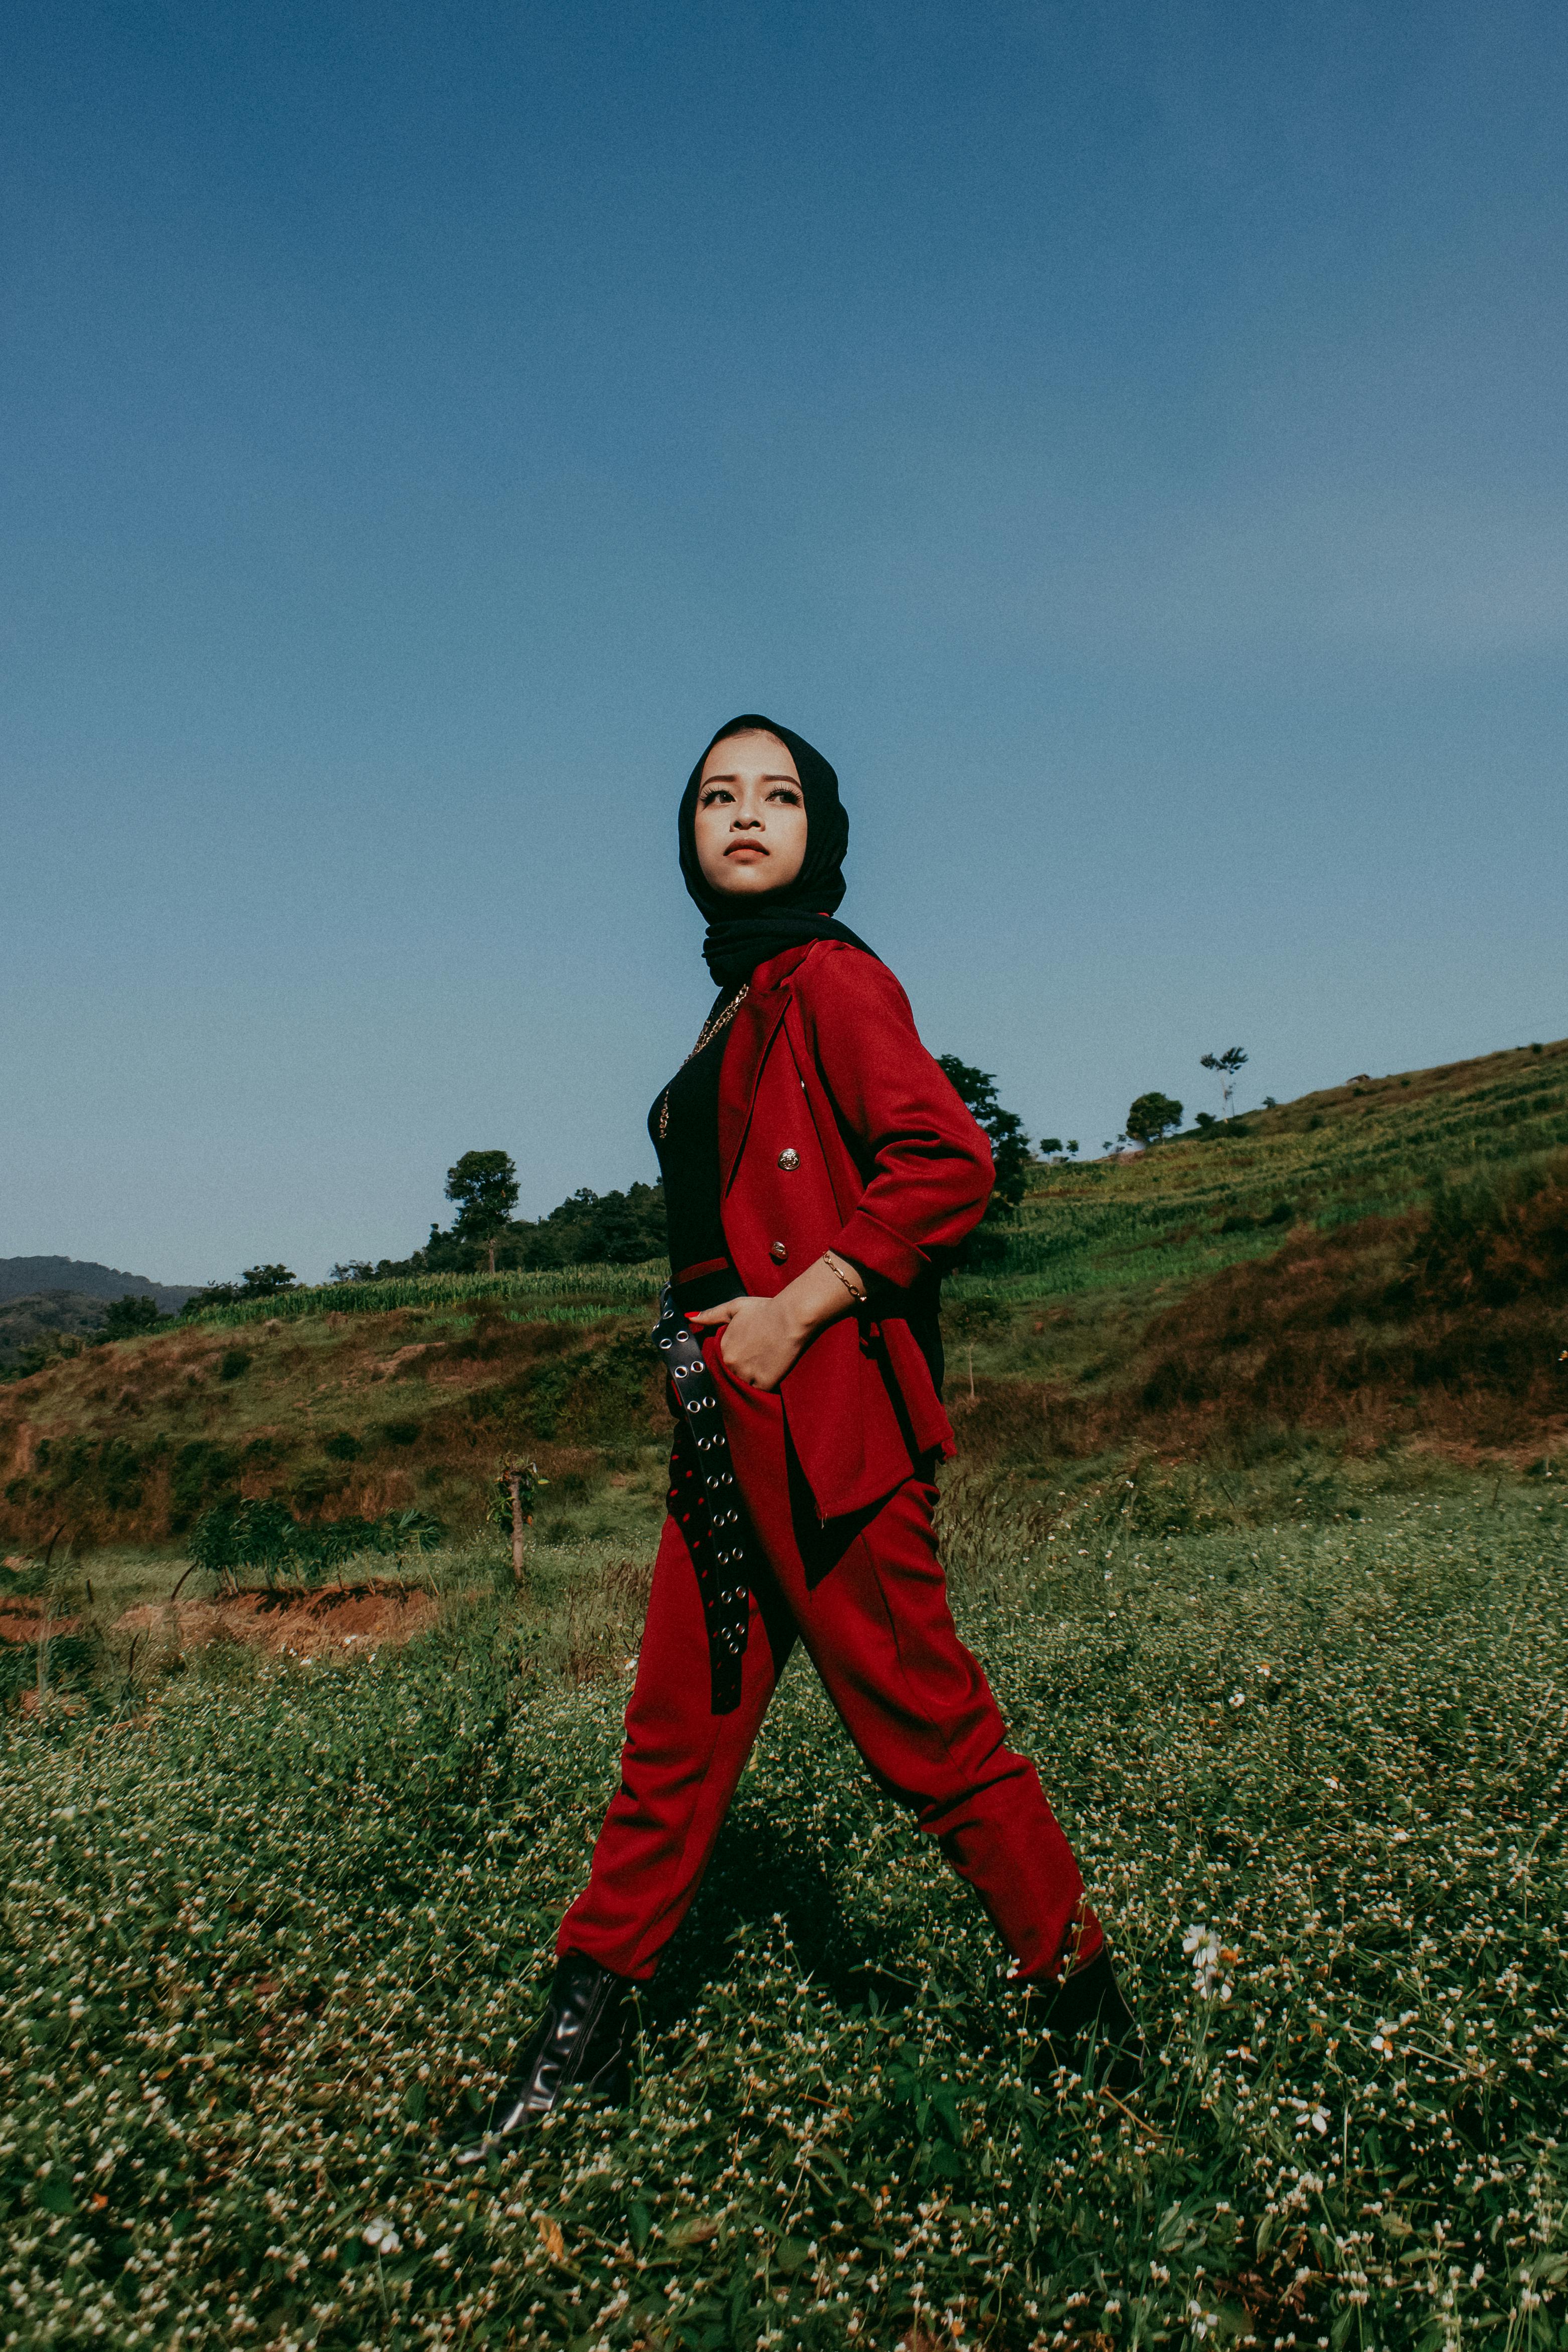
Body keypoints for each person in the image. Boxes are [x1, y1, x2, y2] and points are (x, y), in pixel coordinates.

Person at [456, 716, 1139, 2156]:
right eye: (719, 796)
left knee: (927, 1730)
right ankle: (578, 2044)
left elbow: (951, 1161)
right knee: (673, 1738)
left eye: (779, 795)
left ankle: (1092, 2018)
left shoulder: (831, 977)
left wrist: (801, 1306)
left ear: (822, 830)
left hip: (818, 1416)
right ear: (689, 836)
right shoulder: (739, 995)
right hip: (722, 1422)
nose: (747, 814)